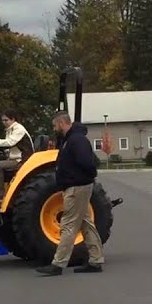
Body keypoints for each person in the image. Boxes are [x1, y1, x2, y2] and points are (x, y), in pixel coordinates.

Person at [36, 111, 104, 276]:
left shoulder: (76, 140)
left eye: (55, 125)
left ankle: (58, 264)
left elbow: (88, 163)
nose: (54, 129)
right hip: (78, 186)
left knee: (68, 224)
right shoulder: (71, 140)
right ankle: (96, 260)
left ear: (61, 123)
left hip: (77, 187)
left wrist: (79, 177)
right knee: (86, 224)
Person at [0, 110, 33, 205]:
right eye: (3, 120)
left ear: (13, 119)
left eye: (6, 120)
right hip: (15, 159)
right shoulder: (10, 130)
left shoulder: (19, 129)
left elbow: (10, 142)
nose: (4, 122)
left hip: (22, 160)